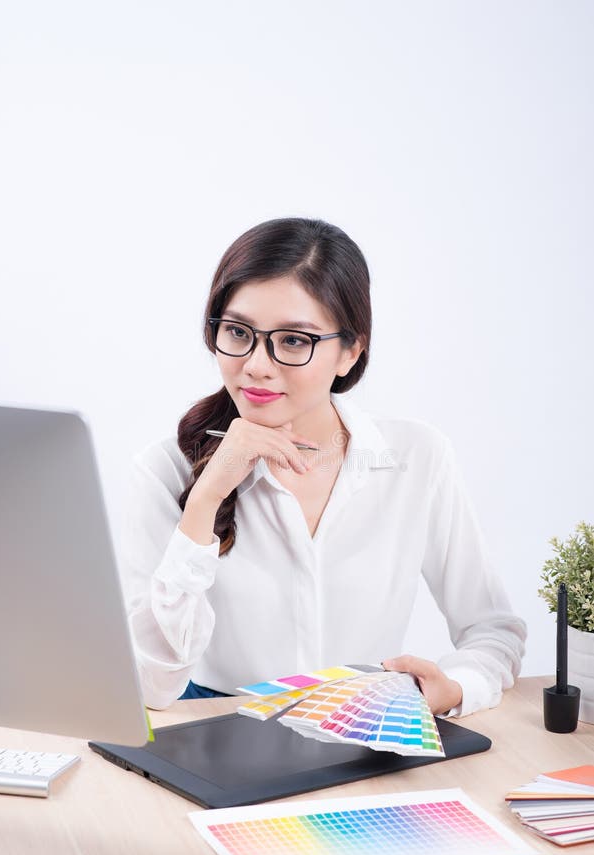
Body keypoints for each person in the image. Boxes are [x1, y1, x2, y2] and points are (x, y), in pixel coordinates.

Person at [122, 217, 526, 715]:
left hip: (364, 734)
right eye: (237, 331)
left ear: (349, 353)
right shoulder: (165, 469)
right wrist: (205, 499)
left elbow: (492, 629)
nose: (256, 364)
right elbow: (151, 686)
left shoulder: (417, 457)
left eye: (294, 340)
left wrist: (457, 688)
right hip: (215, 731)